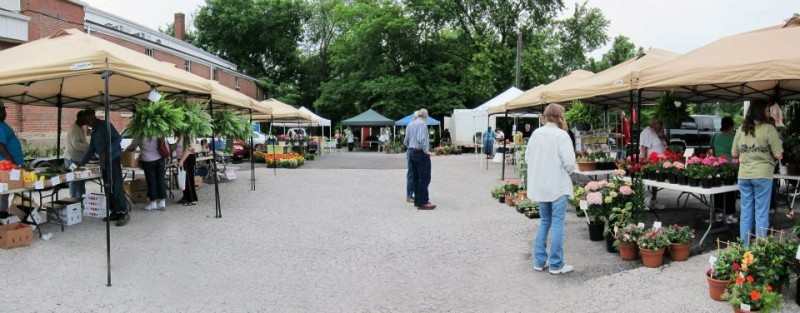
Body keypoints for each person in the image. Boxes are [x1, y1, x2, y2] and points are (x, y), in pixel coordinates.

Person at [526, 103, 575, 275]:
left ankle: (539, 261)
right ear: (560, 116)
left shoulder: (535, 134)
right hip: (557, 186)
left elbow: (527, 158)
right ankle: (556, 264)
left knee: (544, 222)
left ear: (546, 116)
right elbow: (569, 163)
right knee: (558, 223)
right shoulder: (562, 135)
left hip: (540, 185)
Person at [732, 100, 783, 247]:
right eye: (767, 111)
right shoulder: (769, 129)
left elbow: (734, 154)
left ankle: (744, 248)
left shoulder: (741, 129)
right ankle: (760, 249)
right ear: (761, 112)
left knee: (746, 212)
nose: (769, 113)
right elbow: (778, 154)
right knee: (761, 212)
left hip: (744, 175)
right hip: (762, 175)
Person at [79, 109, 130, 226]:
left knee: (116, 186)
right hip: (104, 163)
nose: (87, 123)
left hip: (113, 160)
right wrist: (81, 163)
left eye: (87, 120)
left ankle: (123, 211)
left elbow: (118, 138)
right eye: (85, 121)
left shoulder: (105, 125)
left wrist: (108, 151)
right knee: (107, 188)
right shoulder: (94, 131)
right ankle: (114, 211)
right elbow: (91, 149)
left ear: (93, 116)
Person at [125, 136, 169, 211]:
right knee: (160, 180)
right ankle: (162, 204)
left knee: (151, 182)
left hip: (148, 161)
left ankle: (153, 204)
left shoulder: (140, 135)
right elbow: (165, 145)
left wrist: (124, 152)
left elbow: (132, 146)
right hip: (160, 160)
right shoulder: (158, 132)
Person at [404, 108, 435, 210]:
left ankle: (417, 200)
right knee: (425, 177)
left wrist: (411, 148)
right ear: (426, 115)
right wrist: (426, 151)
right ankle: (423, 202)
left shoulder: (410, 124)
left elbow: (406, 140)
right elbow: (422, 139)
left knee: (416, 177)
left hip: (411, 152)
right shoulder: (422, 124)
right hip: (420, 153)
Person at [710, 116, 738, 224]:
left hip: (717, 166)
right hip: (731, 167)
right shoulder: (733, 138)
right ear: (730, 126)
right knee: (730, 191)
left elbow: (712, 150)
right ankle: (730, 215)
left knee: (718, 190)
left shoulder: (715, 137)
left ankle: (718, 214)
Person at [0, 101, 23, 213]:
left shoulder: (3, 124)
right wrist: (12, 163)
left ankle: (4, 216)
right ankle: (2, 216)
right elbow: (1, 146)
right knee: (3, 194)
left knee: (7, 193)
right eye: (1, 110)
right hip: (6, 166)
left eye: (4, 110)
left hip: (10, 166)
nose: (4, 112)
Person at [640, 119, 667, 209]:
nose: (662, 127)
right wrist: (643, 162)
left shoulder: (656, 131)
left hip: (657, 163)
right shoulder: (646, 132)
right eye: (661, 124)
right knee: (648, 182)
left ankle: (654, 200)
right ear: (654, 124)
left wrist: (663, 136)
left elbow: (665, 143)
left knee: (654, 182)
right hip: (650, 162)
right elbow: (643, 148)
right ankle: (646, 203)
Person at [64, 110, 89, 199]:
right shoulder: (74, 128)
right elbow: (76, 144)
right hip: (71, 159)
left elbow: (82, 142)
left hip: (79, 159)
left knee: (81, 180)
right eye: (85, 119)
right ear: (79, 118)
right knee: (74, 181)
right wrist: (88, 147)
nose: (86, 121)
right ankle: (73, 200)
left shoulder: (80, 128)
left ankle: (81, 200)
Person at [175, 134, 198, 206]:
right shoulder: (180, 136)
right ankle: (186, 197)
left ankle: (191, 199)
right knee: (184, 180)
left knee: (187, 179)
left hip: (187, 159)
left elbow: (188, 149)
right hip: (183, 159)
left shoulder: (186, 136)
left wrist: (181, 161)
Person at [406, 111, 419, 203]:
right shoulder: (414, 125)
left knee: (413, 174)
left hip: (410, 150)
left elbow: (406, 140)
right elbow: (406, 140)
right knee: (413, 174)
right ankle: (411, 195)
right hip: (413, 150)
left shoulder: (410, 125)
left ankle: (412, 194)